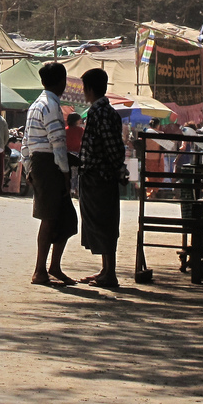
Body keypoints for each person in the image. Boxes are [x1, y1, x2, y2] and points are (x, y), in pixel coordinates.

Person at [22, 61, 78, 286]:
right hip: (49, 165)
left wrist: (28, 167)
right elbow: (57, 142)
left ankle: (53, 266)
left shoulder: (36, 104)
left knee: (63, 217)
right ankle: (40, 269)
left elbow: (26, 142)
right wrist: (64, 172)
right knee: (49, 217)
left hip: (39, 163)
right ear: (62, 82)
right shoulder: (51, 106)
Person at [77, 68, 126, 288]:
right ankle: (106, 269)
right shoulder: (105, 112)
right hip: (98, 175)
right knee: (100, 222)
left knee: (103, 223)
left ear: (90, 89)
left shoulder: (100, 113)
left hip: (99, 176)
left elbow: (112, 147)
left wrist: (116, 167)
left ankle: (110, 273)